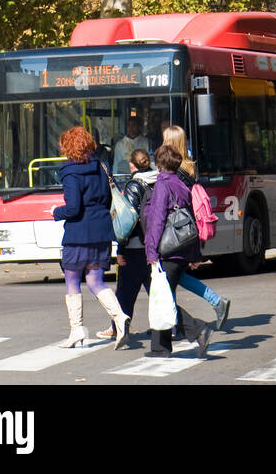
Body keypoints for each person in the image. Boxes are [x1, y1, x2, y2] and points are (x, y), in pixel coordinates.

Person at [52, 126, 130, 348]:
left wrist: (56, 213)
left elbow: (73, 207)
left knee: (72, 280)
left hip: (78, 235)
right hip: (102, 232)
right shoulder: (102, 167)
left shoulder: (69, 173)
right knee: (96, 281)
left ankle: (76, 329)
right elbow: (107, 199)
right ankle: (119, 317)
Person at [143, 144, 213, 357]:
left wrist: (151, 250)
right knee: (163, 296)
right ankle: (160, 347)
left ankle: (198, 329)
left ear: (159, 164)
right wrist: (195, 254)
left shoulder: (163, 184)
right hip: (182, 248)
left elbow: (157, 220)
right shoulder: (182, 184)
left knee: (163, 299)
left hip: (168, 250)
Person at [162, 126, 230, 331]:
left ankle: (172, 324)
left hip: (177, 232)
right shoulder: (189, 166)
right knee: (176, 276)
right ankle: (215, 302)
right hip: (187, 230)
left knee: (168, 279)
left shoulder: (176, 171)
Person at [100, 149, 156, 345]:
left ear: (132, 165)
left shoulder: (134, 184)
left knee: (125, 291)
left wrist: (120, 250)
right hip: (153, 244)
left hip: (134, 246)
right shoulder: (157, 179)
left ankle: (118, 328)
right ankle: (173, 326)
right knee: (157, 290)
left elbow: (128, 221)